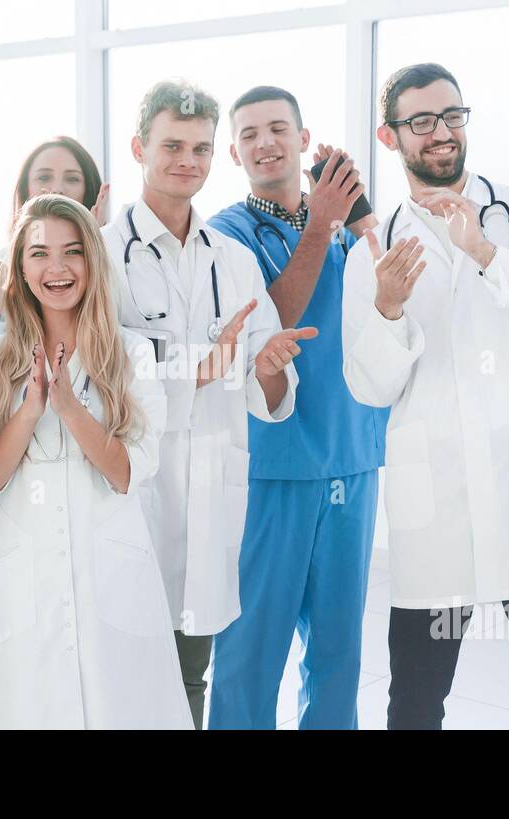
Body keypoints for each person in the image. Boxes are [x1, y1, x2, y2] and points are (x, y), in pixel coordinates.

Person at [342, 63, 509, 729]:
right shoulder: (370, 252)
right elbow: (369, 386)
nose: (442, 132)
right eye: (422, 120)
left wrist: (489, 254)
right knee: (415, 705)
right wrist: (388, 310)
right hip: (438, 512)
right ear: (389, 134)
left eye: (453, 115)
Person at [101, 79, 315, 729]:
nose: (187, 160)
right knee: (122, 670)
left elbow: (268, 392)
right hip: (130, 493)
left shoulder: (234, 258)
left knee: (191, 670)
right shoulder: (104, 254)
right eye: (172, 145)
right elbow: (99, 365)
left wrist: (271, 368)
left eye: (199, 147)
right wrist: (195, 369)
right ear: (140, 148)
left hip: (210, 496)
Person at [0, 194, 189, 729]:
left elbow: (128, 471)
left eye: (72, 252)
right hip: (24, 582)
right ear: (20, 267)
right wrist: (30, 409)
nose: (56, 268)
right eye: (39, 253)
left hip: (110, 576)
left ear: (93, 261)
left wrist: (67, 405)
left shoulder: (129, 354)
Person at [206, 86, 387, 729]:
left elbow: (395, 295)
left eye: (279, 128)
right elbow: (267, 325)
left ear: (304, 139)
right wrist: (321, 226)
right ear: (233, 151)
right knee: (250, 655)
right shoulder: (224, 235)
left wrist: (357, 216)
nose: (266, 142)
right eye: (249, 133)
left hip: (353, 456)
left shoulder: (342, 223)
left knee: (338, 658)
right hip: (273, 467)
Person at [0, 135, 111, 310]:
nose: (58, 189)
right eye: (44, 177)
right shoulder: (0, 269)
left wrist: (93, 245)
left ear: (89, 189)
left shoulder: (116, 251)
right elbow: (17, 308)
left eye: (72, 179)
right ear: (25, 189)